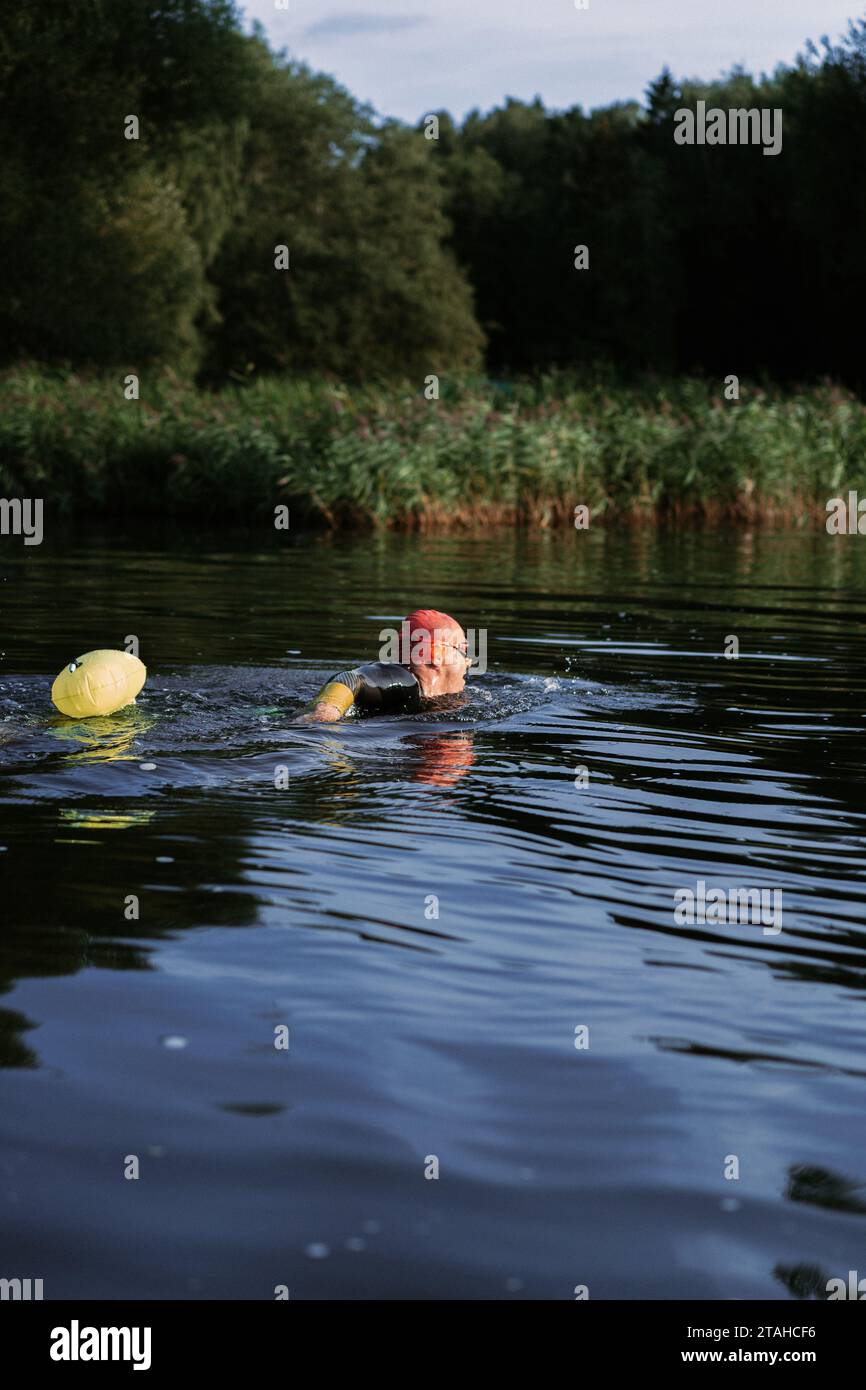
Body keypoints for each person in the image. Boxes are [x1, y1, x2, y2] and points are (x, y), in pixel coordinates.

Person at [295, 608, 471, 722]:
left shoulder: (420, 693)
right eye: (463, 650)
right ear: (435, 656)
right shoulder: (405, 681)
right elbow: (350, 678)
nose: (469, 661)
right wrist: (325, 713)